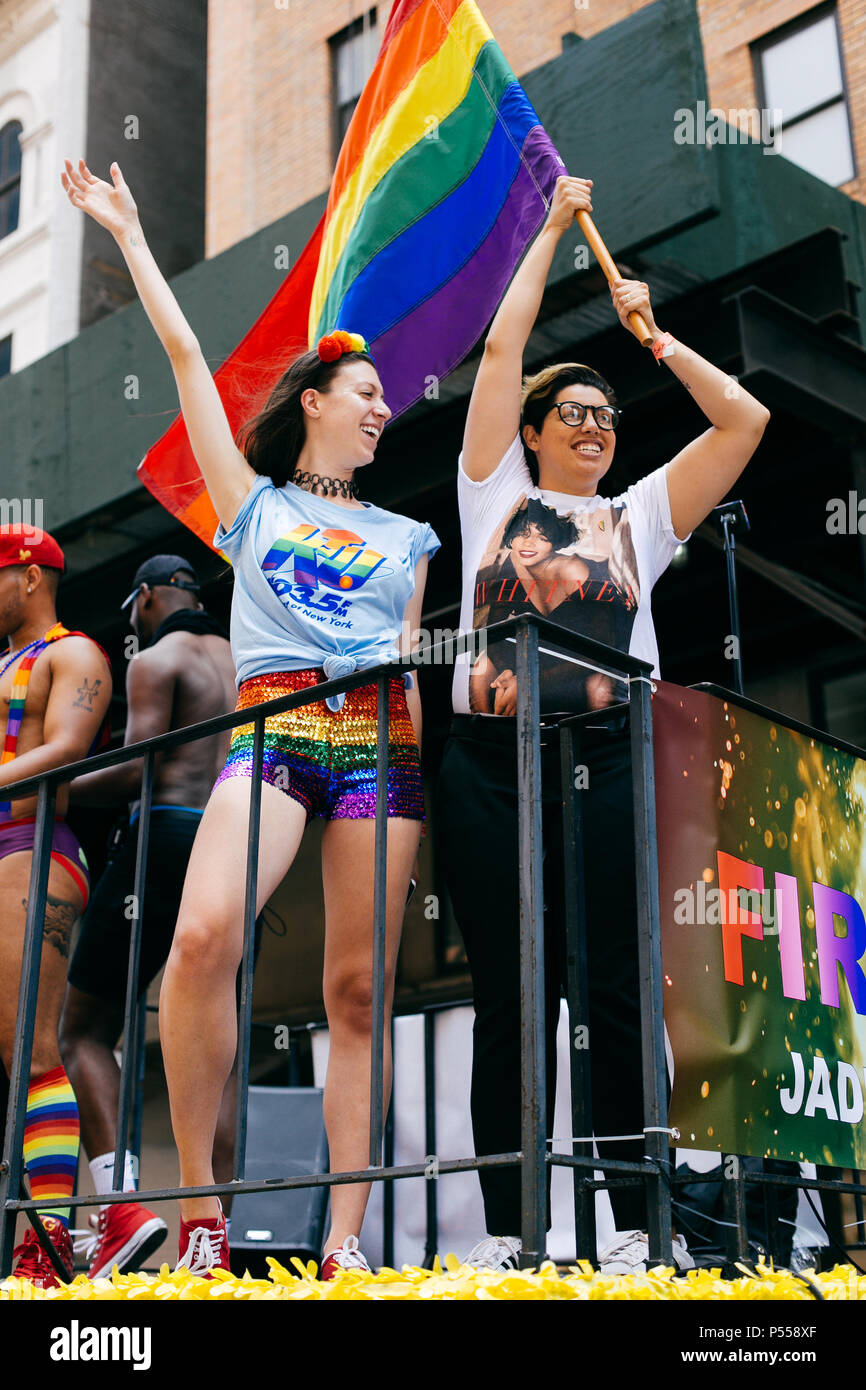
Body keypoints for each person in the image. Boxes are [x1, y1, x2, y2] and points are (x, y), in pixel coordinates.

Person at [62, 156, 440, 1278]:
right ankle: (199, 1212)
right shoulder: (252, 502)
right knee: (198, 942)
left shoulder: (406, 536)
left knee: (356, 988)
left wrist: (423, 783)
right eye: (365, 392)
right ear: (316, 401)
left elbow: (410, 666)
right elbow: (185, 356)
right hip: (274, 729)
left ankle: (345, 1238)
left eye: (384, 399)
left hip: (382, 744)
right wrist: (129, 232)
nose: (383, 406)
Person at [437, 175, 770, 1273]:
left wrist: (654, 337)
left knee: (620, 988)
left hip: (610, 762)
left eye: (604, 414)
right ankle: (507, 1229)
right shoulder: (489, 493)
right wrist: (540, 231)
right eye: (572, 412)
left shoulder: (638, 515)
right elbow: (498, 353)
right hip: (493, 761)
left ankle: (633, 1222)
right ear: (530, 432)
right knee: (511, 993)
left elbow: (744, 418)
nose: (593, 425)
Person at [58, 554, 247, 1279]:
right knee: (222, 1044)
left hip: (164, 836)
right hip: (236, 838)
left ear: (144, 599)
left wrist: (57, 786)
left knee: (81, 1028)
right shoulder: (244, 659)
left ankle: (122, 1203)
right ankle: (214, 1235)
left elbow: (140, 765)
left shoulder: (156, 659)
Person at [0, 526, 112, 1288]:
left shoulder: (72, 654)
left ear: (32, 575)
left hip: (32, 847)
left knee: (34, 1057)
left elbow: (69, 747)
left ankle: (43, 1250)